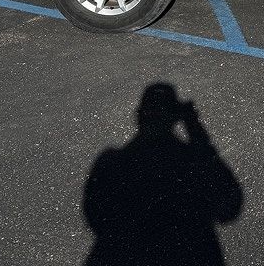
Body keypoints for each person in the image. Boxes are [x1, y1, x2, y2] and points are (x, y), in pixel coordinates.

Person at [84, 83, 243, 266]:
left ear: (139, 116)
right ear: (176, 118)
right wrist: (197, 133)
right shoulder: (192, 163)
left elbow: (95, 217)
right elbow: (230, 207)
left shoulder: (112, 163)